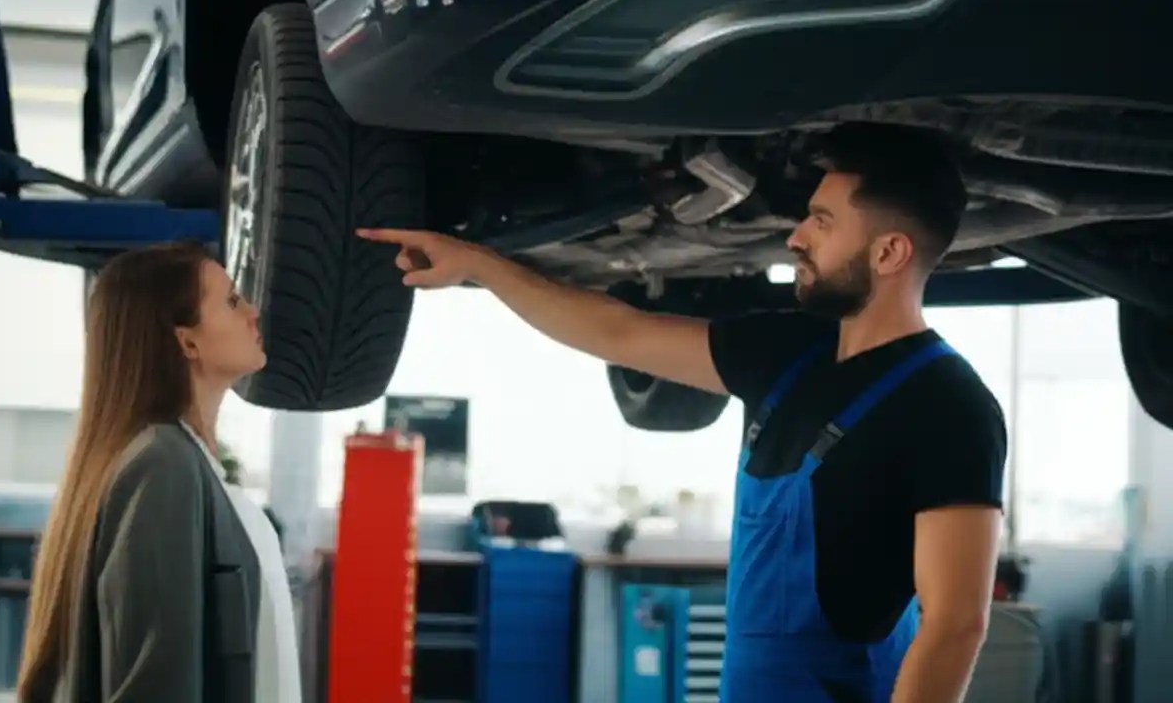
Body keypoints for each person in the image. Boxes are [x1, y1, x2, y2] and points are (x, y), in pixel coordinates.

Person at [358, 123, 1008, 702]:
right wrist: (479, 264)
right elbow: (621, 333)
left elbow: (956, 624)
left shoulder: (949, 406)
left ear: (889, 253)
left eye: (822, 221)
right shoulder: (786, 354)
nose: (795, 236)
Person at [16, 242, 302, 703]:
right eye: (232, 301)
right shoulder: (163, 466)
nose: (253, 312)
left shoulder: (188, 464)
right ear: (186, 341)